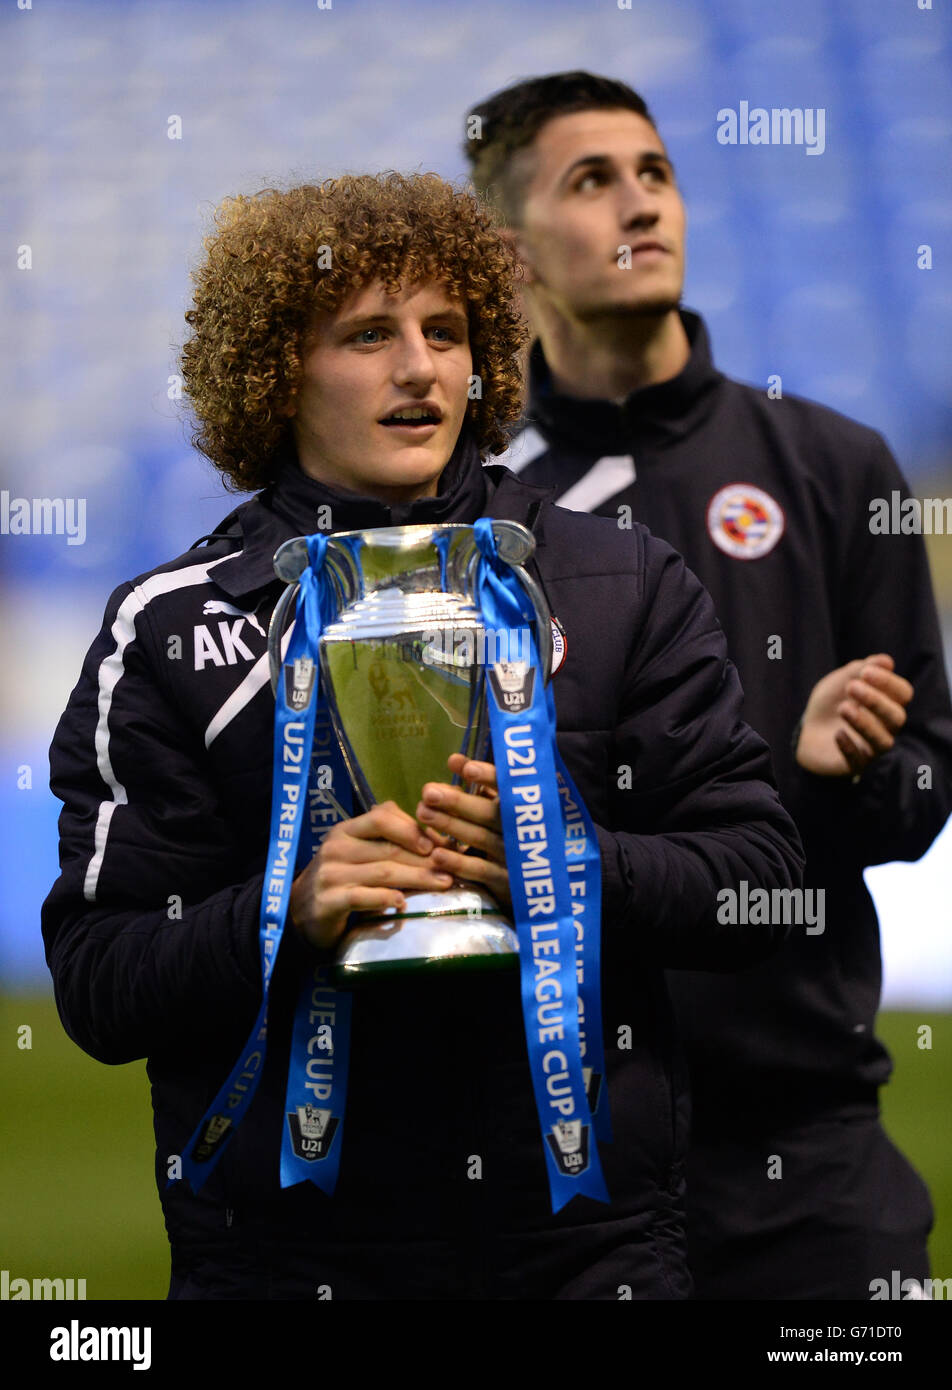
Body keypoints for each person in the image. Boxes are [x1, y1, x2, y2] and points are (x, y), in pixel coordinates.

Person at [42, 171, 803, 1301]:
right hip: (278, 1265)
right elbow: (101, 986)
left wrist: (575, 865)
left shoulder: (621, 582)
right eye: (367, 334)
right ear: (274, 368)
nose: (419, 368)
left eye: (445, 331)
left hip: (587, 1257)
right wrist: (283, 913)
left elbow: (763, 883)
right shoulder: (168, 627)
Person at [462, 71, 952, 1300]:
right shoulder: (470, 504)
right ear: (511, 252)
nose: (641, 203)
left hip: (811, 1137)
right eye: (592, 180)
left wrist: (852, 773)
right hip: (563, 1144)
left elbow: (926, 785)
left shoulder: (835, 463)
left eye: (655, 172)